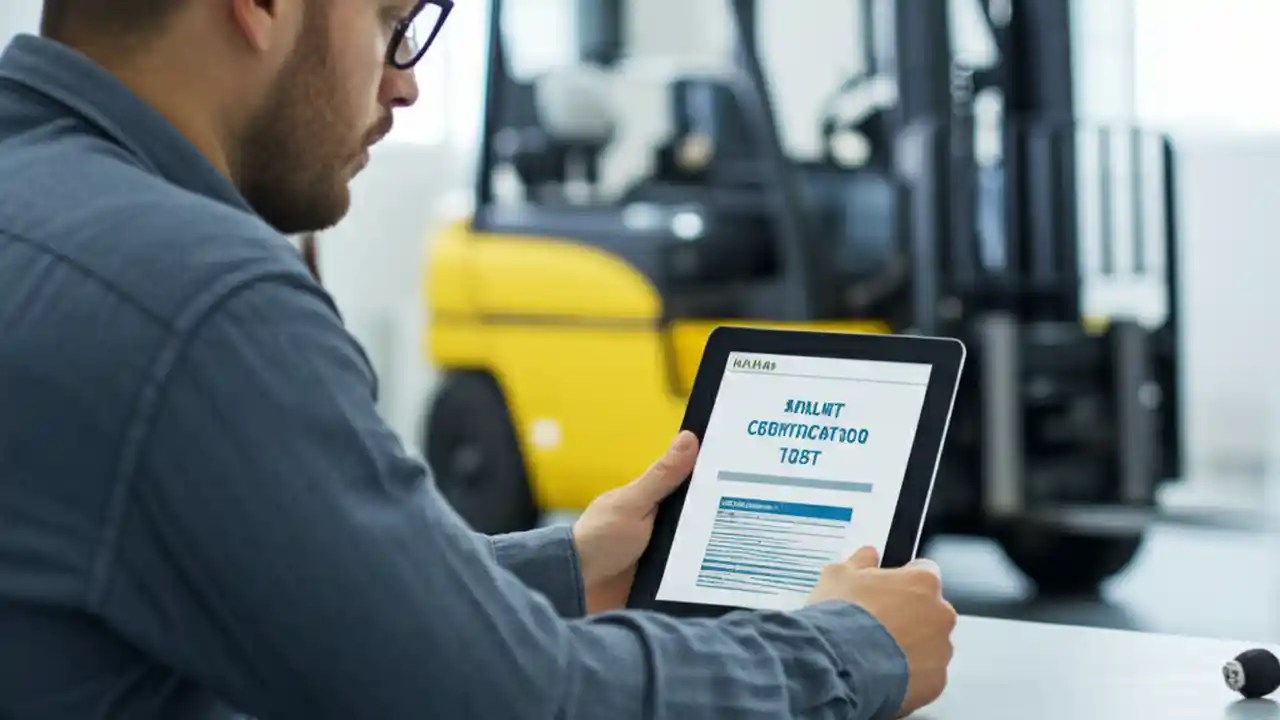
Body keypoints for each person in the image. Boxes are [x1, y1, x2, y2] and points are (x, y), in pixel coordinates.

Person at [0, 1, 957, 718]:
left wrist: (567, 567)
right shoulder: (199, 295)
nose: (406, 84)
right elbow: (516, 701)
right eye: (393, 23)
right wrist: (847, 651)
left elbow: (308, 600)